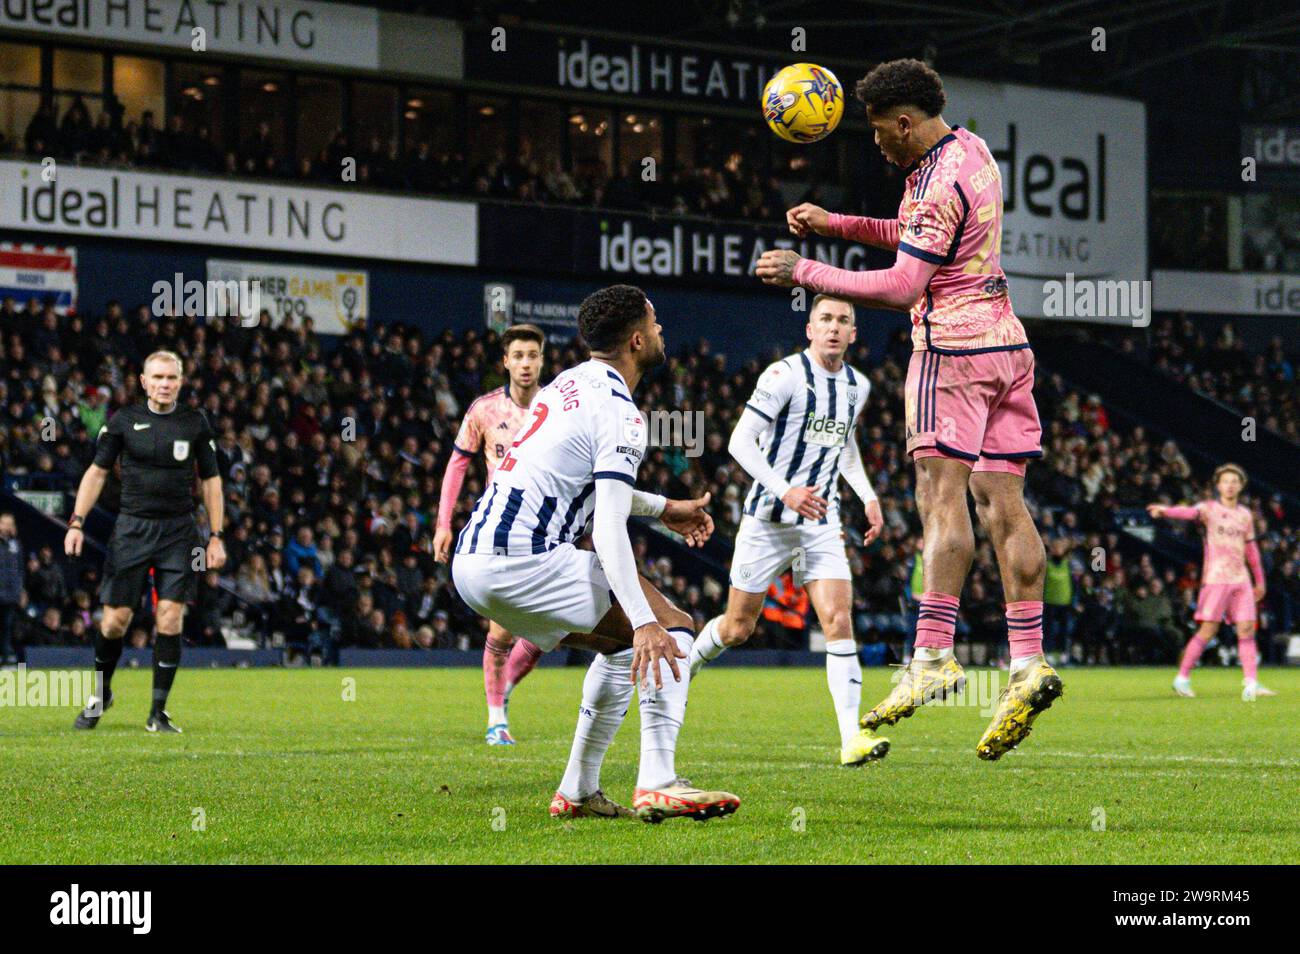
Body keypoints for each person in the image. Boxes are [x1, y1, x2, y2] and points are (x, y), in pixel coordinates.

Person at [755, 57, 1061, 760]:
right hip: (1008, 349)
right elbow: (919, 235)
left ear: (902, 122)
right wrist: (836, 224)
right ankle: (1028, 660)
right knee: (1005, 505)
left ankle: (932, 656)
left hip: (950, 353)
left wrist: (802, 269)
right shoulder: (971, 151)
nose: (875, 144)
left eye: (876, 131)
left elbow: (902, 286)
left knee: (939, 498)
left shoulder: (932, 181)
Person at [452, 284, 739, 822]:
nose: (660, 330)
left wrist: (663, 508)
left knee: (622, 650)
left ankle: (578, 791)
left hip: (473, 563)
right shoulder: (620, 412)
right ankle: (659, 780)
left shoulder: (565, 385)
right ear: (636, 341)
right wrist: (644, 620)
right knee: (672, 627)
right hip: (523, 559)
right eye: (654, 323)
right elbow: (606, 528)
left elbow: (585, 484)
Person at [687, 294, 892, 767]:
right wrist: (785, 490)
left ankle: (851, 739)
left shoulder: (857, 386)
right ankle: (688, 665)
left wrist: (867, 496)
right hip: (767, 520)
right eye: (825, 319)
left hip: (820, 521)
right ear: (810, 329)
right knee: (738, 627)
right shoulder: (784, 376)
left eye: (843, 320)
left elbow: (844, 445)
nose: (834, 327)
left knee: (838, 620)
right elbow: (740, 441)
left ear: (853, 333)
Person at [65, 351, 225, 733]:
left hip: (179, 532)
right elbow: (97, 473)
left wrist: (216, 536)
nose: (164, 384)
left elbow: (211, 481)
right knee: (114, 621)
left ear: (180, 382)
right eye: (157, 377)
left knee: (169, 616)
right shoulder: (123, 421)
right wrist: (76, 522)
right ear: (143, 381)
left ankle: (158, 711)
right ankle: (102, 693)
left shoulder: (195, 423)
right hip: (131, 530)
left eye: (171, 377)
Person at [434, 324, 549, 746]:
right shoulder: (484, 410)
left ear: (542, 360)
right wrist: (443, 523)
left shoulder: (557, 407)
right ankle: (496, 719)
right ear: (505, 361)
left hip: (548, 531)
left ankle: (503, 691)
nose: (525, 364)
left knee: (544, 634)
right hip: (500, 532)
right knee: (501, 634)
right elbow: (457, 464)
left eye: (532, 355)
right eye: (517, 356)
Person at [1148, 463, 1275, 701]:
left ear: (1241, 486)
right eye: (1225, 481)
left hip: (1241, 580)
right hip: (1216, 578)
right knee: (1208, 629)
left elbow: (1251, 550)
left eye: (1234, 481)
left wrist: (1260, 581)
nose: (1230, 485)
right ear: (1218, 485)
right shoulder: (1209, 509)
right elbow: (1188, 513)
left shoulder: (1245, 515)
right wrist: (1165, 511)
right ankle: (1182, 678)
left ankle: (1252, 681)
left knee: (1247, 629)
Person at [0, 513, 23, 665]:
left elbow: (20, 569)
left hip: (11, 594)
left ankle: (6, 655)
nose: (8, 526)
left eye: (10, 523)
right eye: (4, 523)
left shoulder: (16, 544)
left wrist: (20, 590)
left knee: (7, 626)